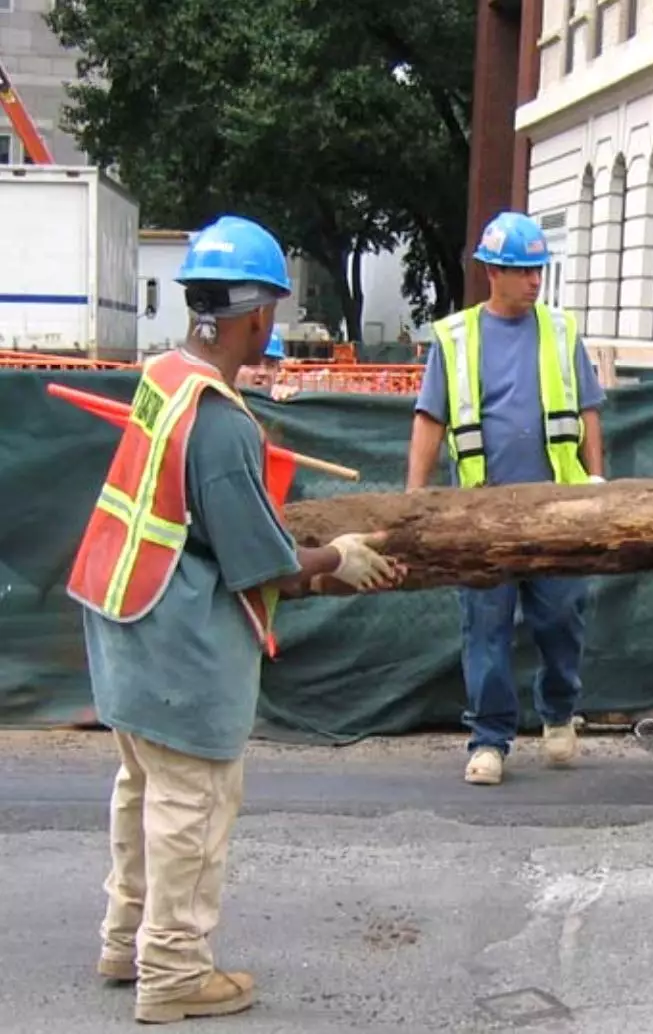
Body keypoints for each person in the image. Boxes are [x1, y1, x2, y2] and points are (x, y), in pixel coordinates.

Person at [67, 214, 405, 1023]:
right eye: (275, 312)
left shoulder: (164, 376)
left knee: (142, 789)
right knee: (192, 804)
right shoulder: (219, 421)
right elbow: (267, 565)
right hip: (176, 647)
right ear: (255, 314)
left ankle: (127, 938)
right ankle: (175, 971)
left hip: (119, 618)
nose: (275, 326)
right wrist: (340, 556)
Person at [405, 210, 608, 786]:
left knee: (562, 617)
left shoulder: (562, 332)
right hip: (481, 511)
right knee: (486, 626)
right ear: (493, 272)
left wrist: (596, 484)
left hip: (558, 508)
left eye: (539, 270)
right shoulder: (455, 338)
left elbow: (589, 412)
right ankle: (490, 739)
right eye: (524, 272)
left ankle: (559, 711)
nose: (535, 281)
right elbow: (430, 419)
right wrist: (413, 501)